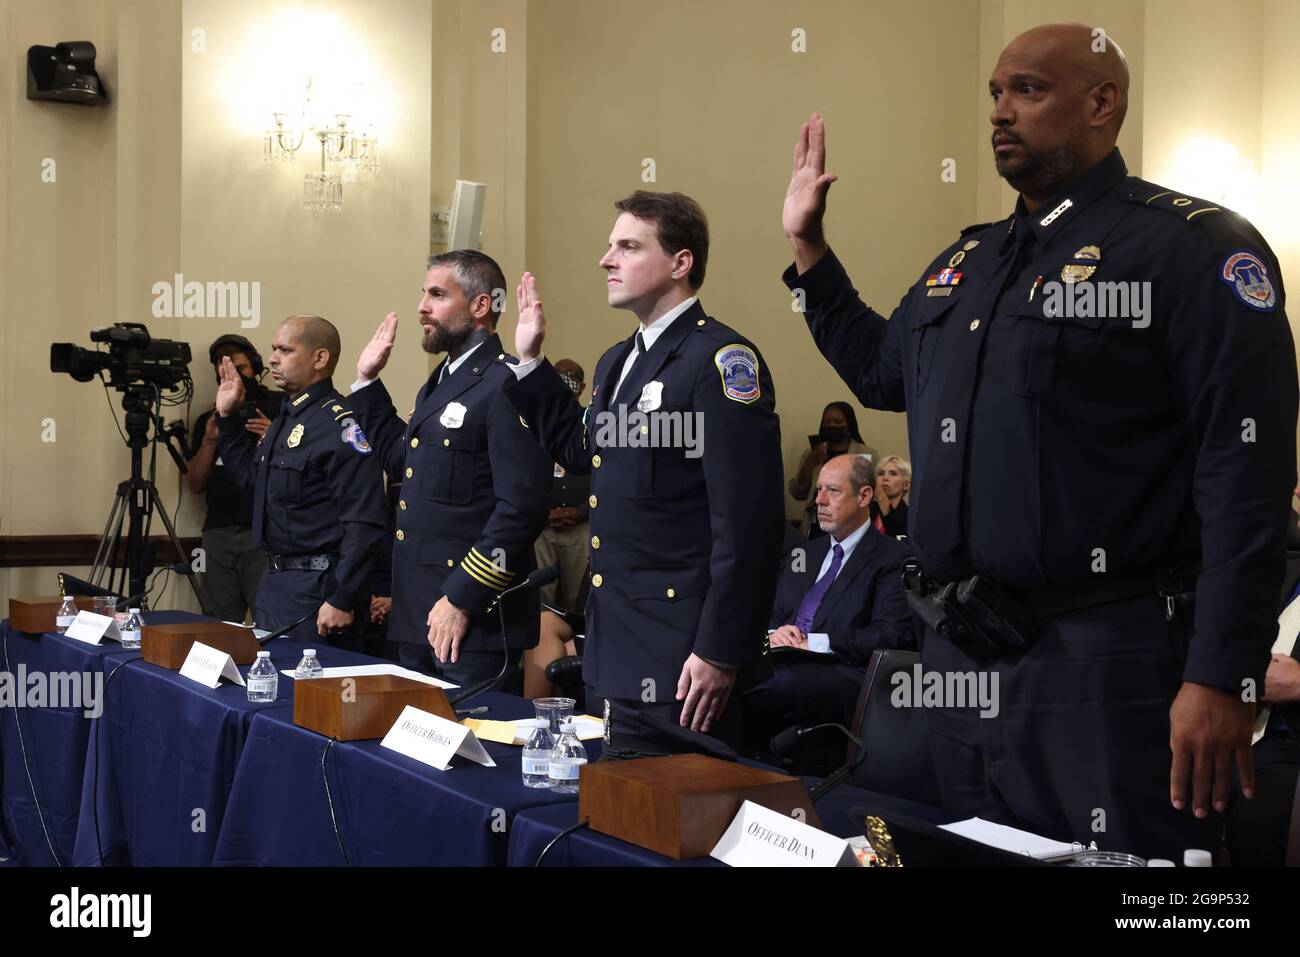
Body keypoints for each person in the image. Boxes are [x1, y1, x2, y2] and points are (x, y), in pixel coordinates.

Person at [781, 23, 1298, 860]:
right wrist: (810, 252)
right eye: (994, 93)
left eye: (1027, 90)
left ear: (1102, 103)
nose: (999, 112)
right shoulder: (971, 259)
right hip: (962, 648)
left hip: (1103, 658)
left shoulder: (1190, 247)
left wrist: (1221, 674)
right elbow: (882, 373)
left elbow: (1247, 477)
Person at [506, 190, 785, 759]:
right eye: (611, 246)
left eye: (628, 246)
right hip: (616, 645)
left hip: (685, 658)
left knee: (677, 831)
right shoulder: (617, 362)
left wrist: (720, 650)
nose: (606, 260)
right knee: (617, 821)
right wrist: (532, 363)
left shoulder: (720, 361)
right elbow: (583, 452)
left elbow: (749, 528)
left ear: (680, 263)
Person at [351, 250, 552, 687]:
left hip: (472, 622)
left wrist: (461, 598)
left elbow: (522, 509)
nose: (422, 306)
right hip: (419, 614)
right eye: (423, 294)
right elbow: (403, 463)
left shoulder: (507, 382)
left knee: (471, 751)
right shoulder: (440, 384)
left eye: (437, 295)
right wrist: (367, 384)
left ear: (480, 306)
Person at [215, 315, 387, 642]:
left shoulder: (340, 425)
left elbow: (365, 521)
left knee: (312, 691)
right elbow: (252, 479)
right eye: (273, 349)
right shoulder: (287, 417)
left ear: (319, 358)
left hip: (319, 590)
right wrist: (227, 418)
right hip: (275, 584)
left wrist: (342, 596)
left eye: (285, 350)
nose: (272, 359)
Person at [745, 453, 914, 772]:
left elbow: (892, 635)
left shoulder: (894, 558)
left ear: (864, 496)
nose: (819, 500)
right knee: (719, 672)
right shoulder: (804, 554)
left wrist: (814, 642)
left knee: (766, 687)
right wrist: (775, 633)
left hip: (843, 672)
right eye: (819, 489)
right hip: (780, 659)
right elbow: (772, 615)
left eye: (832, 491)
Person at [187, 335, 283, 623]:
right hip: (219, 533)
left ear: (256, 367)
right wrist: (208, 440)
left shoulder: (282, 406)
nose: (238, 376)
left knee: (270, 621)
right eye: (227, 370)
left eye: (243, 368)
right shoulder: (210, 417)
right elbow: (194, 484)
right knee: (218, 625)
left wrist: (272, 433)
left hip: (266, 534)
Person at [533, 358, 592, 612]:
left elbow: (605, 474)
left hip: (580, 527)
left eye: (572, 376)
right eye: (559, 375)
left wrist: (581, 511)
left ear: (583, 386)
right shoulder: (537, 423)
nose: (566, 381)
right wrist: (542, 513)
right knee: (541, 598)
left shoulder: (592, 423)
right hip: (541, 526)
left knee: (576, 597)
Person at [789, 401, 876, 538]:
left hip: (850, 527)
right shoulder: (811, 453)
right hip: (816, 525)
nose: (832, 426)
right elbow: (797, 493)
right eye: (827, 422)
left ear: (849, 426)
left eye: (837, 421)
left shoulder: (865, 454)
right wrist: (809, 464)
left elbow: (871, 495)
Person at [870, 454, 910, 538]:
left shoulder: (910, 517)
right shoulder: (867, 510)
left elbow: (896, 541)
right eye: (881, 473)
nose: (885, 477)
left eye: (893, 473)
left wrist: (882, 498)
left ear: (906, 485)